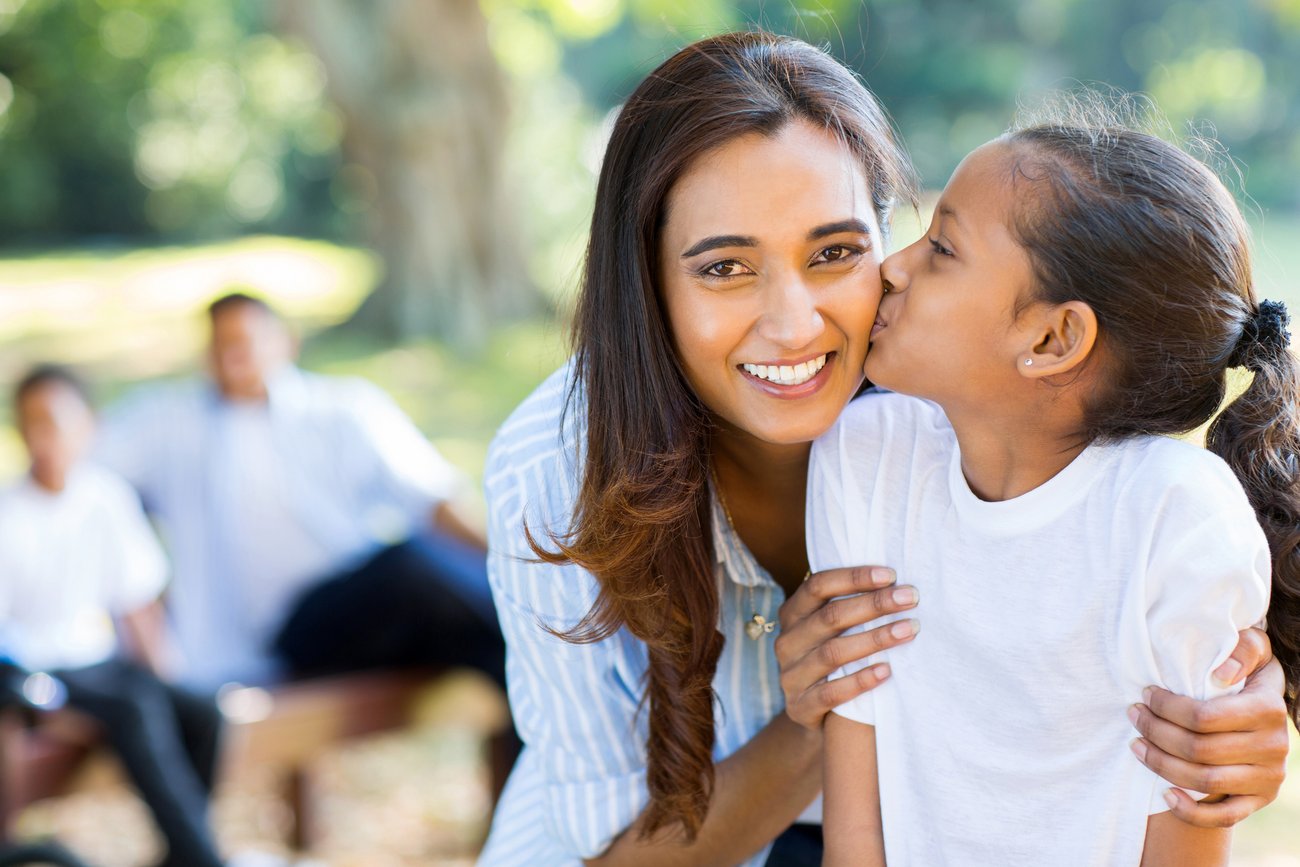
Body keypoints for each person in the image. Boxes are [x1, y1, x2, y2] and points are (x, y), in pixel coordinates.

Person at [480, 32, 1290, 867]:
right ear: (645, 283)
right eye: (723, 268)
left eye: (835, 253)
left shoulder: (956, 387)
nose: (794, 324)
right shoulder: (553, 467)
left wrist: (1229, 728)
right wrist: (819, 715)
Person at [815, 109, 1299, 865]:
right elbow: (856, 829)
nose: (892, 267)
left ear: (1052, 339)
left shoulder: (1174, 521)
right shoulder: (869, 458)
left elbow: (1187, 819)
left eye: (942, 248)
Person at [95, 293, 505, 693]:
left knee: (481, 638)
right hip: (281, 635)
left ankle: (536, 661)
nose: (232, 357)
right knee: (411, 566)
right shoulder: (170, 424)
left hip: (363, 601)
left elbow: (433, 498)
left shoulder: (343, 407)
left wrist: (509, 565)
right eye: (220, 345)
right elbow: (83, 475)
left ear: (285, 343)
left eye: (245, 343)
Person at [0, 365, 226, 867]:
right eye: (32, 424)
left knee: (201, 712)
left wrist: (172, 681)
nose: (46, 438)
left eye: (57, 423)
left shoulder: (105, 496)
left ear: (88, 426)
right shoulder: (9, 514)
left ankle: (183, 849)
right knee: (138, 707)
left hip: (99, 661)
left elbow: (137, 603)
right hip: (37, 670)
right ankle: (204, 857)